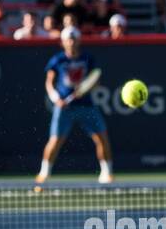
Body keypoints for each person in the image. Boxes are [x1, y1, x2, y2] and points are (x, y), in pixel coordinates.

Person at [36, 26, 112, 189]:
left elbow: (95, 80)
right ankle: (44, 174)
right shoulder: (57, 60)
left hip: (86, 106)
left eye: (74, 39)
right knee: (55, 141)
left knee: (102, 138)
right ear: (63, 42)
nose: (71, 42)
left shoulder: (88, 58)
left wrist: (85, 89)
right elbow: (49, 83)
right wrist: (56, 98)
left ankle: (107, 174)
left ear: (78, 41)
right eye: (68, 39)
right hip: (64, 108)